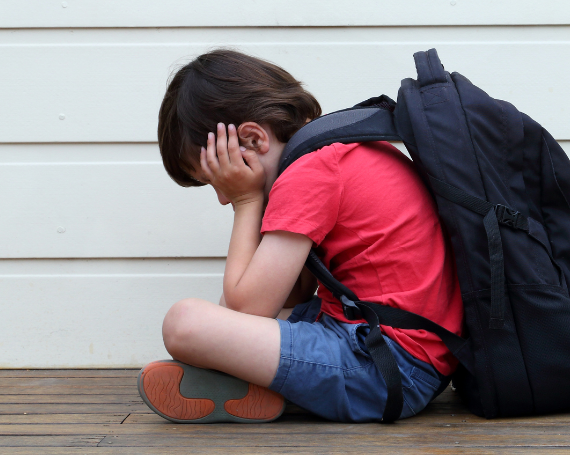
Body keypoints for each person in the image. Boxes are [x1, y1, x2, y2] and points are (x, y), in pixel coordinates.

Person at [138, 48, 463, 423]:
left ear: (253, 140)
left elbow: (249, 310)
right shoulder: (333, 147)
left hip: (390, 368)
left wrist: (246, 201)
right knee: (227, 317)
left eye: (218, 180)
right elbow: (289, 294)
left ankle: (254, 387)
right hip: (401, 355)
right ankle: (254, 390)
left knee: (186, 322)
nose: (222, 197)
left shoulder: (310, 172)